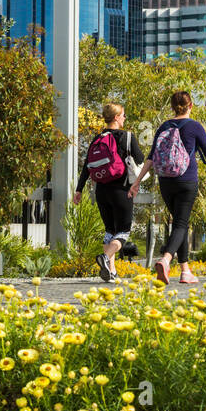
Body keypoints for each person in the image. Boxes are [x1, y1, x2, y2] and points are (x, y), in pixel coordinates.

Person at [129, 90, 206, 286]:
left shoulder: (165, 126)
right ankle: (165, 260)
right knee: (181, 224)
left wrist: (137, 181)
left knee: (180, 224)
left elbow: (150, 158)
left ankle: (185, 271)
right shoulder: (195, 127)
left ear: (173, 107)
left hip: (166, 181)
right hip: (186, 180)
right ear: (191, 106)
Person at [74, 102, 143, 282]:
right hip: (122, 190)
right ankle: (106, 257)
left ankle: (111, 271)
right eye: (123, 115)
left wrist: (79, 189)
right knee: (123, 232)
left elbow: (86, 166)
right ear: (116, 117)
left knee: (109, 231)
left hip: (101, 191)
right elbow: (141, 160)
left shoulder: (97, 138)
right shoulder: (127, 137)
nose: (125, 118)